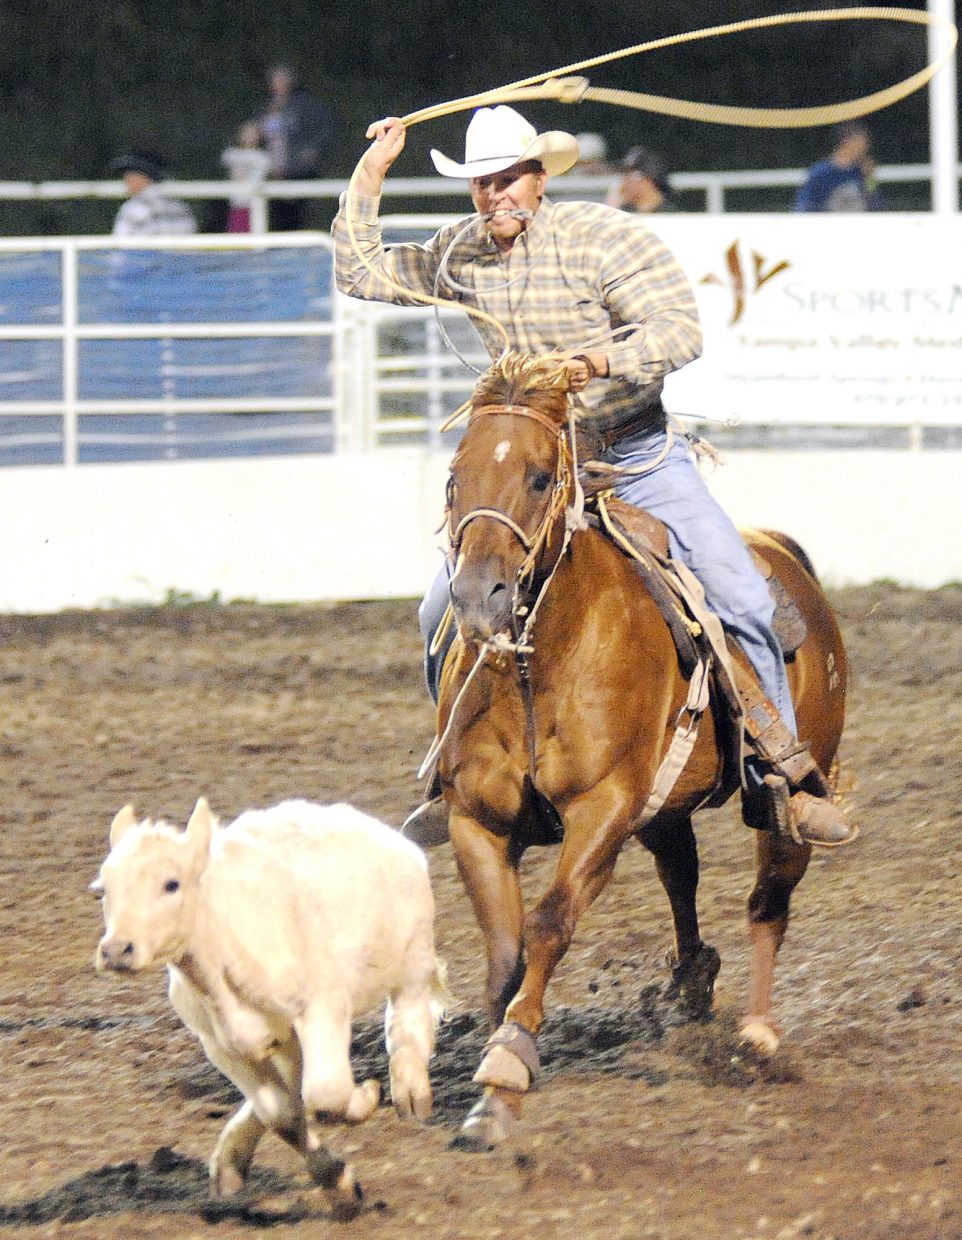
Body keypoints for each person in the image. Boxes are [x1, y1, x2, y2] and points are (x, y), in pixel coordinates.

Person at [332, 105, 854, 848]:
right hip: (538, 480)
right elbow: (359, 271)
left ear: (539, 180)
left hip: (633, 459)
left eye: (508, 179)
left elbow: (679, 332)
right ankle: (455, 769)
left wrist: (597, 361)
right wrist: (372, 171)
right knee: (438, 615)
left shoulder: (603, 238)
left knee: (739, 592)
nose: (494, 196)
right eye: (482, 183)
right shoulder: (461, 253)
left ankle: (782, 774)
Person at [259, 63, 336, 230]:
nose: (277, 82)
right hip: (272, 169)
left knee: (296, 214)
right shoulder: (266, 106)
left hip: (297, 170)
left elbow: (325, 127)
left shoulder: (304, 104)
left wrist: (313, 149)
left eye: (281, 78)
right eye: (274, 78)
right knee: (274, 213)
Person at [795, 123, 884, 212]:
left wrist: (869, 179)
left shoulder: (861, 172)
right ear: (846, 142)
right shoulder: (821, 173)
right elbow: (804, 207)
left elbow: (876, 206)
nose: (865, 147)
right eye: (861, 142)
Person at [109, 151, 197, 236]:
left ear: (146, 178)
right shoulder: (179, 206)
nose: (127, 181)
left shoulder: (133, 208)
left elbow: (121, 242)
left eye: (131, 176)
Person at [221, 120, 272, 233]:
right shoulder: (231, 154)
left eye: (253, 133)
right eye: (246, 133)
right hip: (237, 204)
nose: (249, 137)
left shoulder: (262, 157)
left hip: (254, 205)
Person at [606, 144, 676, 213]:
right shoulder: (627, 211)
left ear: (648, 180)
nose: (625, 181)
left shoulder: (669, 215)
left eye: (630, 175)